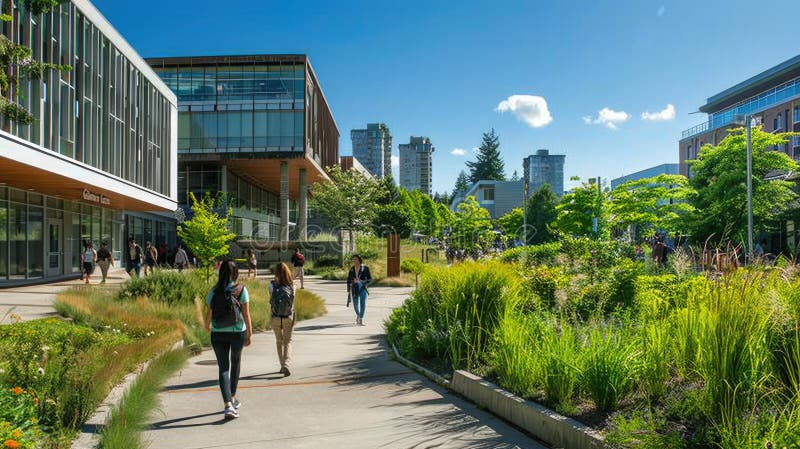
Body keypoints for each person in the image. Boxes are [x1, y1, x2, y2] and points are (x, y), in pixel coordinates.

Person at [205, 259, 252, 420]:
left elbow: (208, 312)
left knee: (223, 368)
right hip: (237, 332)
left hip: (217, 333)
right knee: (236, 362)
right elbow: (246, 314)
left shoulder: (214, 290)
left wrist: (207, 327)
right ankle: (232, 397)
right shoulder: (241, 289)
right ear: (235, 273)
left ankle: (228, 405)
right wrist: (250, 334)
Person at [270, 262, 296, 376]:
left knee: (279, 341)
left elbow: (271, 300)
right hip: (287, 317)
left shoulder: (271, 285)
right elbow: (293, 303)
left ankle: (281, 365)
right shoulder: (292, 285)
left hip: (275, 316)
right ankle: (286, 365)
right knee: (288, 341)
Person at [346, 254, 372, 326]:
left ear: (359, 260)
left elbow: (370, 279)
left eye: (355, 259)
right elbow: (348, 280)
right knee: (355, 304)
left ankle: (361, 319)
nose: (354, 261)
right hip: (354, 288)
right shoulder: (351, 269)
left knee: (362, 303)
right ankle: (358, 315)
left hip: (363, 288)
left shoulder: (365, 268)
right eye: (353, 259)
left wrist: (361, 281)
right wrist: (349, 289)